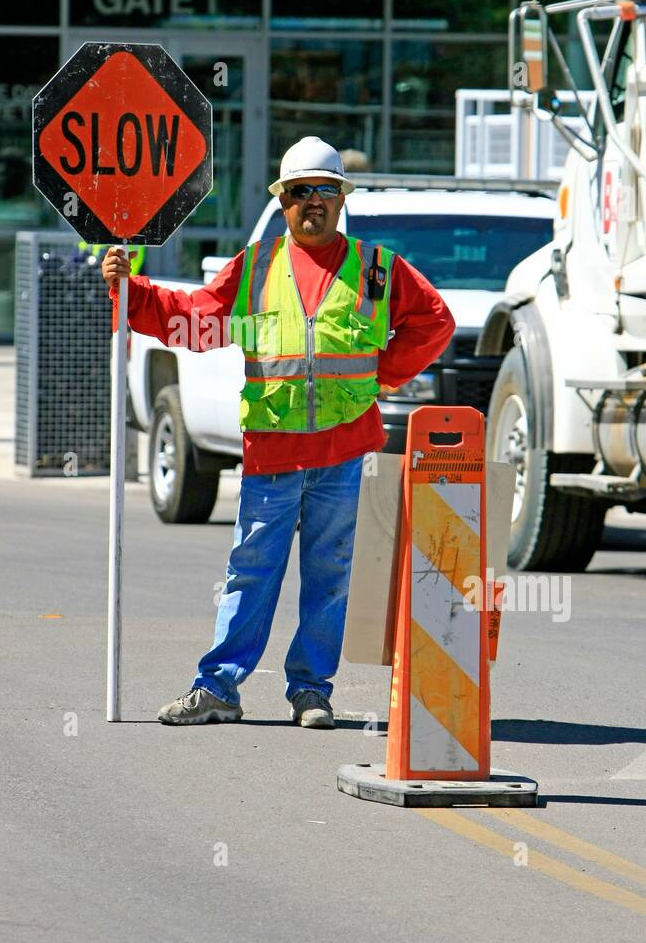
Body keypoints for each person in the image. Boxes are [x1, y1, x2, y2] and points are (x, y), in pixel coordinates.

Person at [101, 138, 455, 728]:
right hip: (272, 453)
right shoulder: (255, 267)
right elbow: (198, 321)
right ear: (283, 202)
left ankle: (311, 691)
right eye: (299, 192)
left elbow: (435, 322)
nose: (311, 202)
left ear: (341, 199)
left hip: (342, 455)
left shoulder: (376, 270)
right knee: (251, 570)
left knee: (329, 576)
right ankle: (218, 688)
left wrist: (379, 376)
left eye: (323, 191)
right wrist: (130, 293)